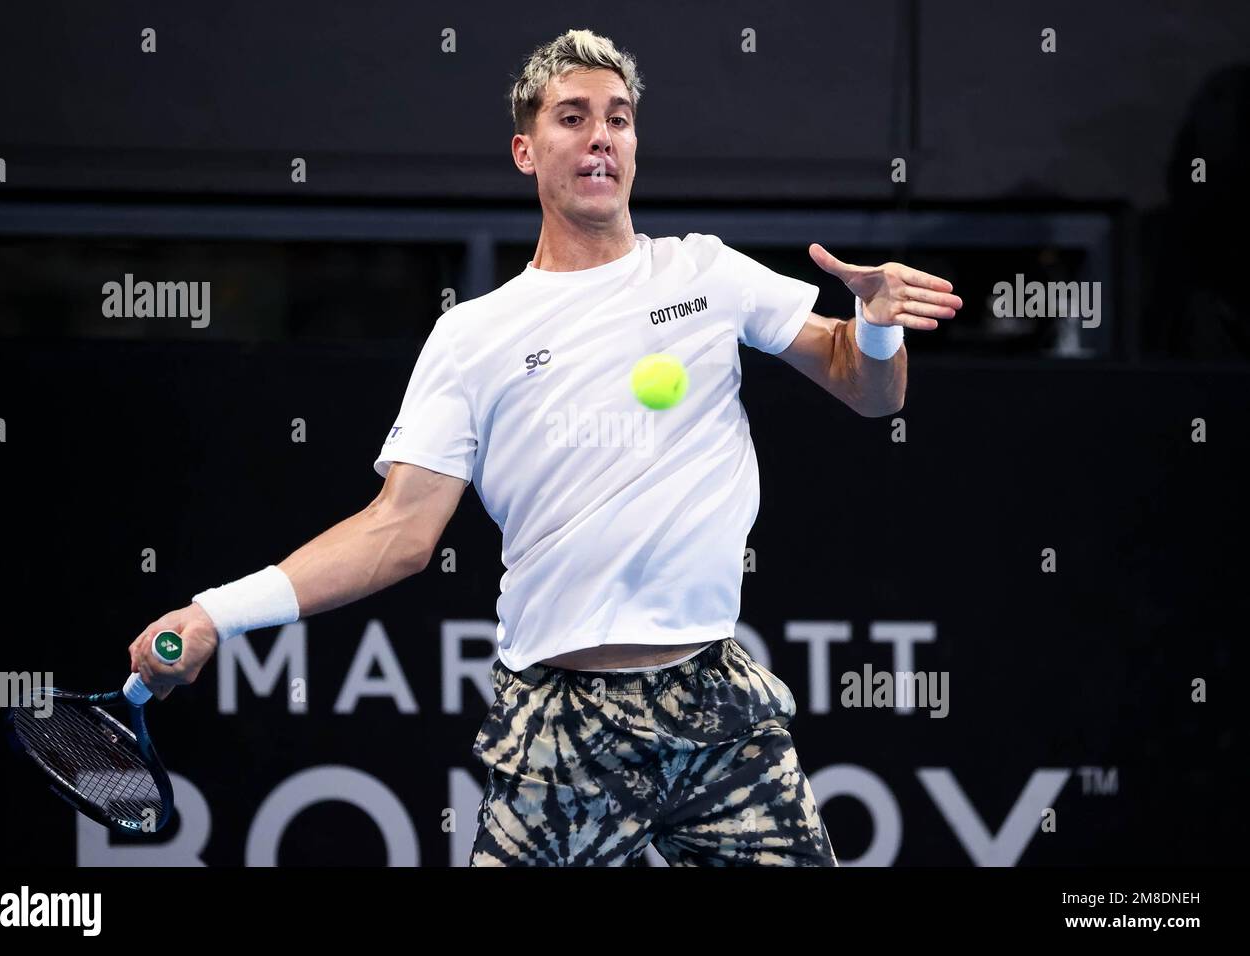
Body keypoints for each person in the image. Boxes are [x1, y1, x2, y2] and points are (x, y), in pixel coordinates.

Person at [128, 28, 962, 866]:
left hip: (718, 710)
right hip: (558, 726)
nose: (602, 135)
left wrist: (878, 328)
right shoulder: (473, 336)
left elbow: (866, 389)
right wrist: (215, 611)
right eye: (574, 117)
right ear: (526, 150)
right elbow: (398, 533)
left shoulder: (707, 273)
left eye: (620, 118)